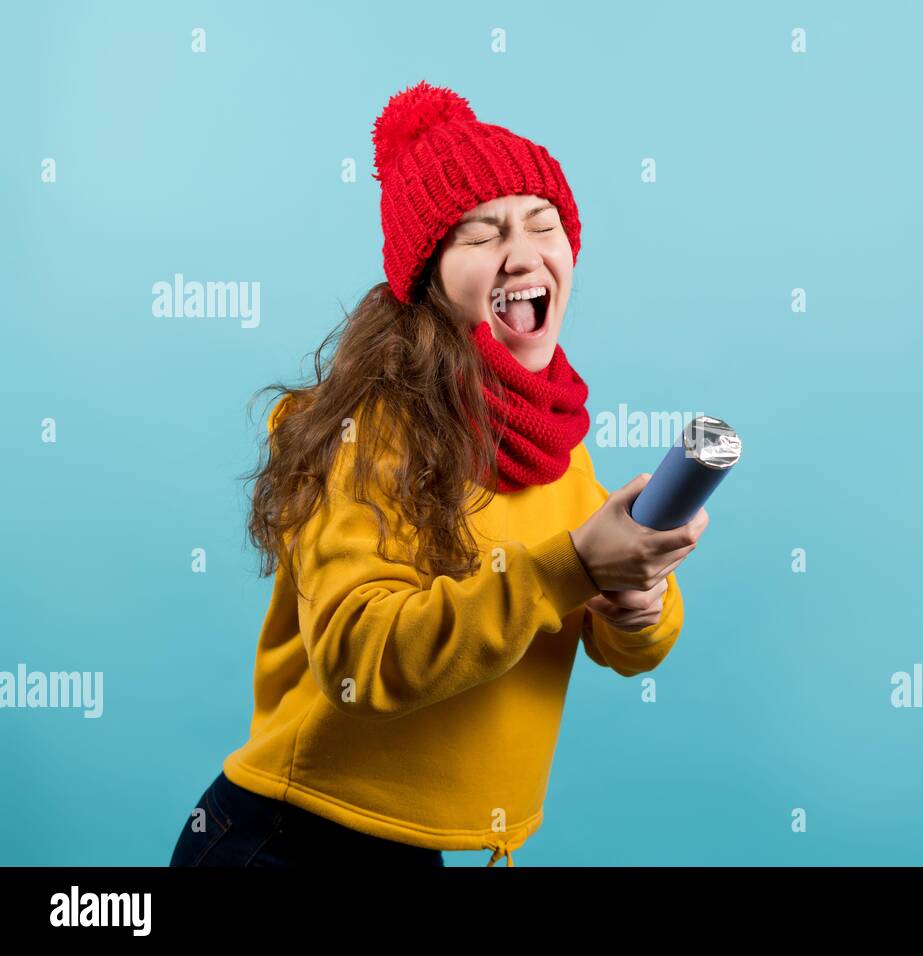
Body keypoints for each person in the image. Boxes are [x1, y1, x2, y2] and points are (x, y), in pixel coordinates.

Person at [168, 82, 708, 868]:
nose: (523, 252)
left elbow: (625, 647)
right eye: (483, 235)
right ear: (428, 278)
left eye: (542, 223)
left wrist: (638, 599)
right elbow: (360, 656)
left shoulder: (554, 441)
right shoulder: (371, 430)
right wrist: (573, 565)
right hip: (293, 840)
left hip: (417, 848)